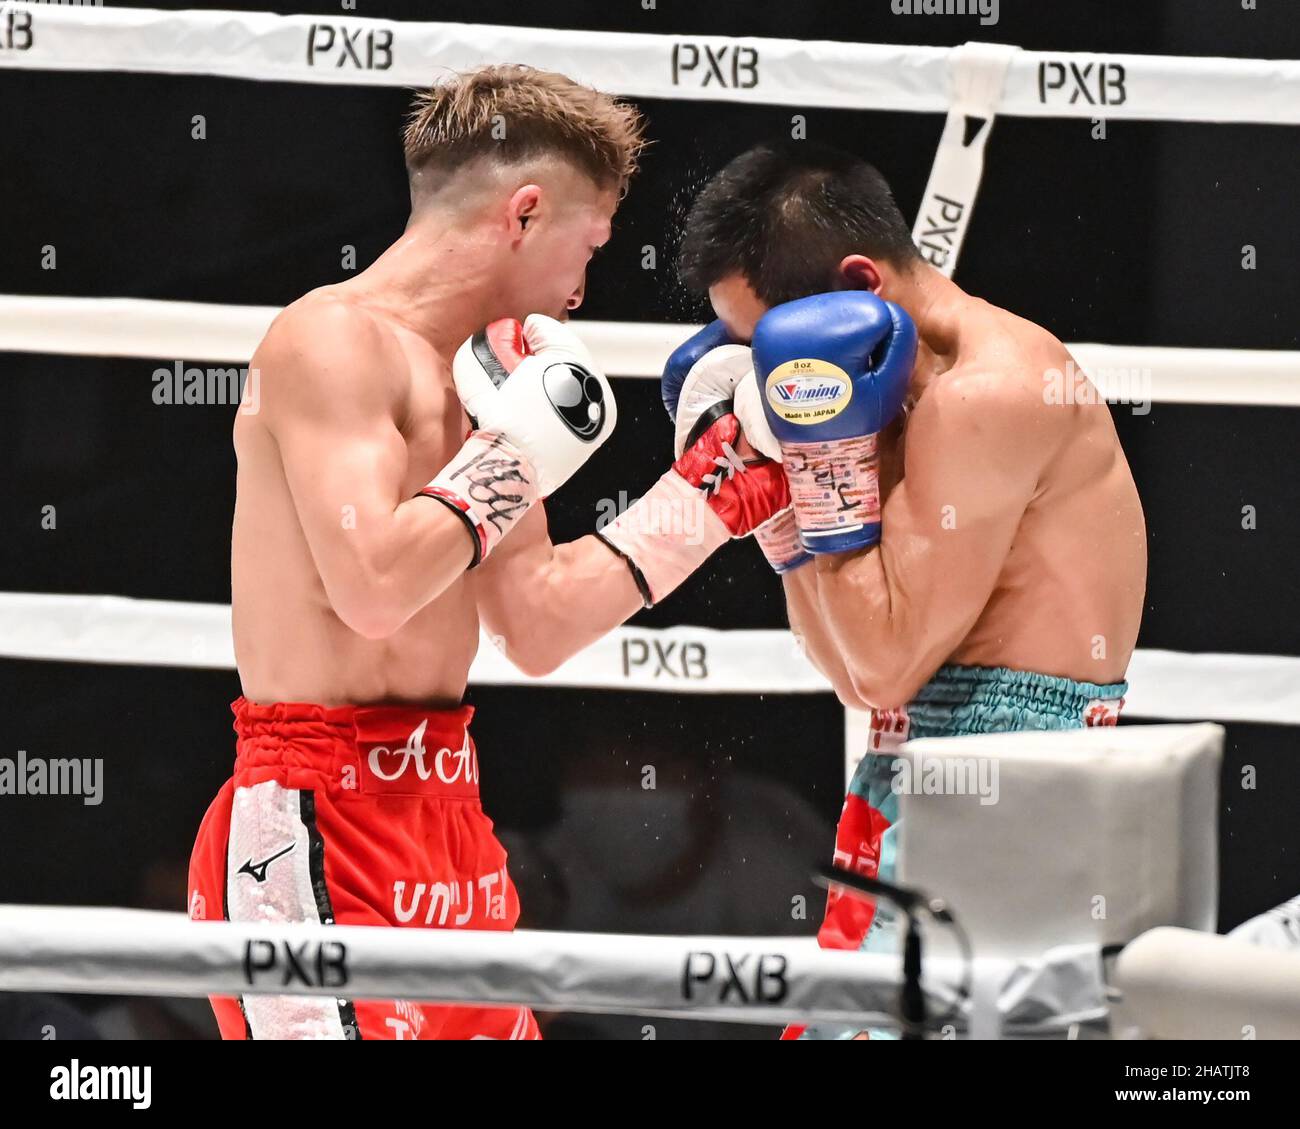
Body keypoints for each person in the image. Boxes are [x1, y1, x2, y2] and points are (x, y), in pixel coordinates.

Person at [187, 66, 790, 1041]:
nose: (580, 290)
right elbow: (374, 586)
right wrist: (515, 451)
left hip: (449, 821)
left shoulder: (487, 383)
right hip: (315, 819)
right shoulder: (328, 342)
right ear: (525, 212)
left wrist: (709, 493)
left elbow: (538, 621)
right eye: (587, 246)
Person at [674, 141, 1147, 1038]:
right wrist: (783, 515)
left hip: (1002, 792)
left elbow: (886, 664)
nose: (761, 378)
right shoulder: (892, 400)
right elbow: (854, 673)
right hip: (911, 772)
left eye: (766, 345)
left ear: (859, 284)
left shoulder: (988, 392)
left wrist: (816, 462)